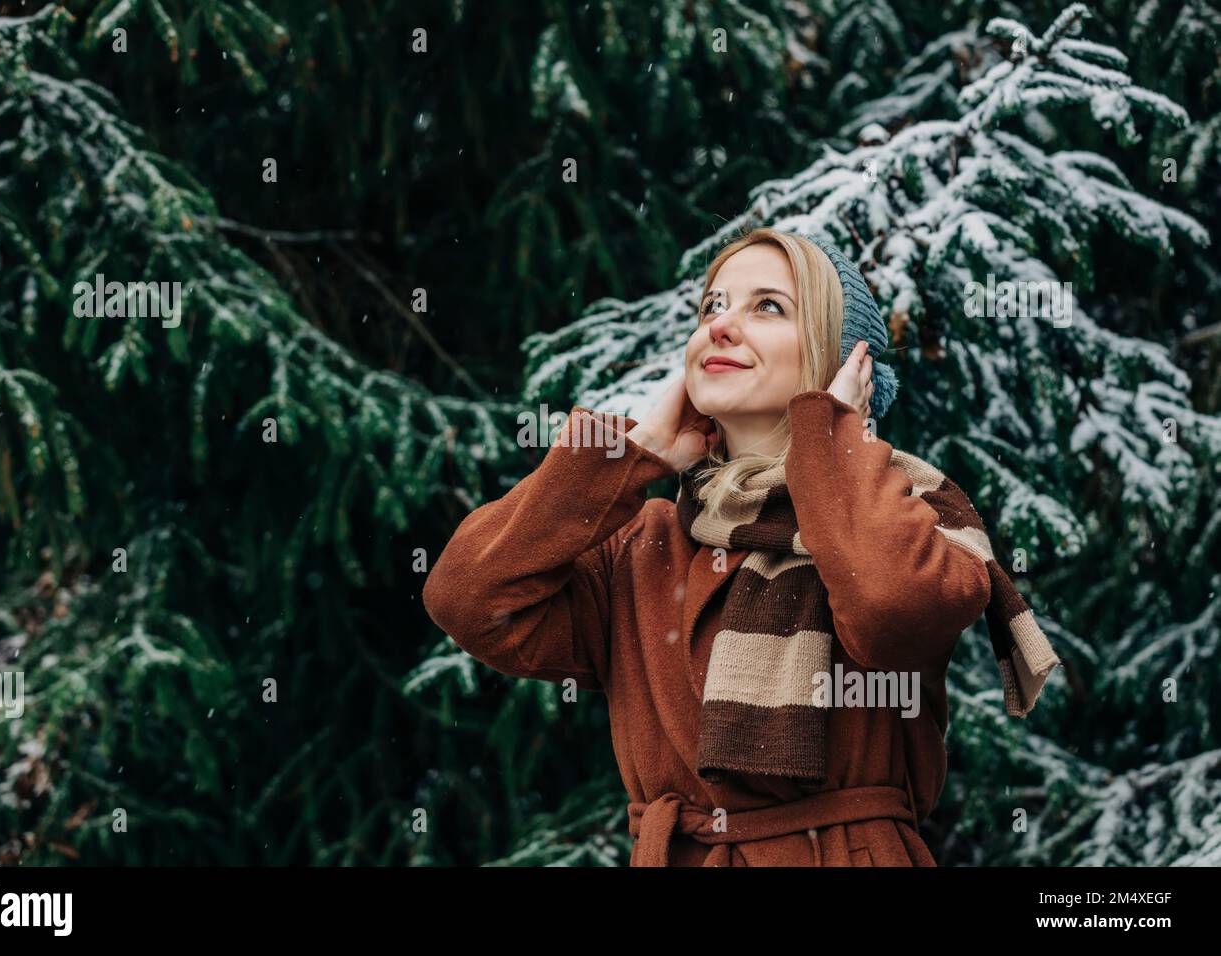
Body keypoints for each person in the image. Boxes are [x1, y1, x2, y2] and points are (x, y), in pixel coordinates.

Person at [423, 227, 1059, 866]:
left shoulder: (908, 512)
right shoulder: (643, 546)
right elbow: (468, 598)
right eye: (713, 307)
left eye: (769, 307)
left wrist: (832, 441)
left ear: (844, 363)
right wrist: (624, 458)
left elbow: (891, 608)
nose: (721, 327)